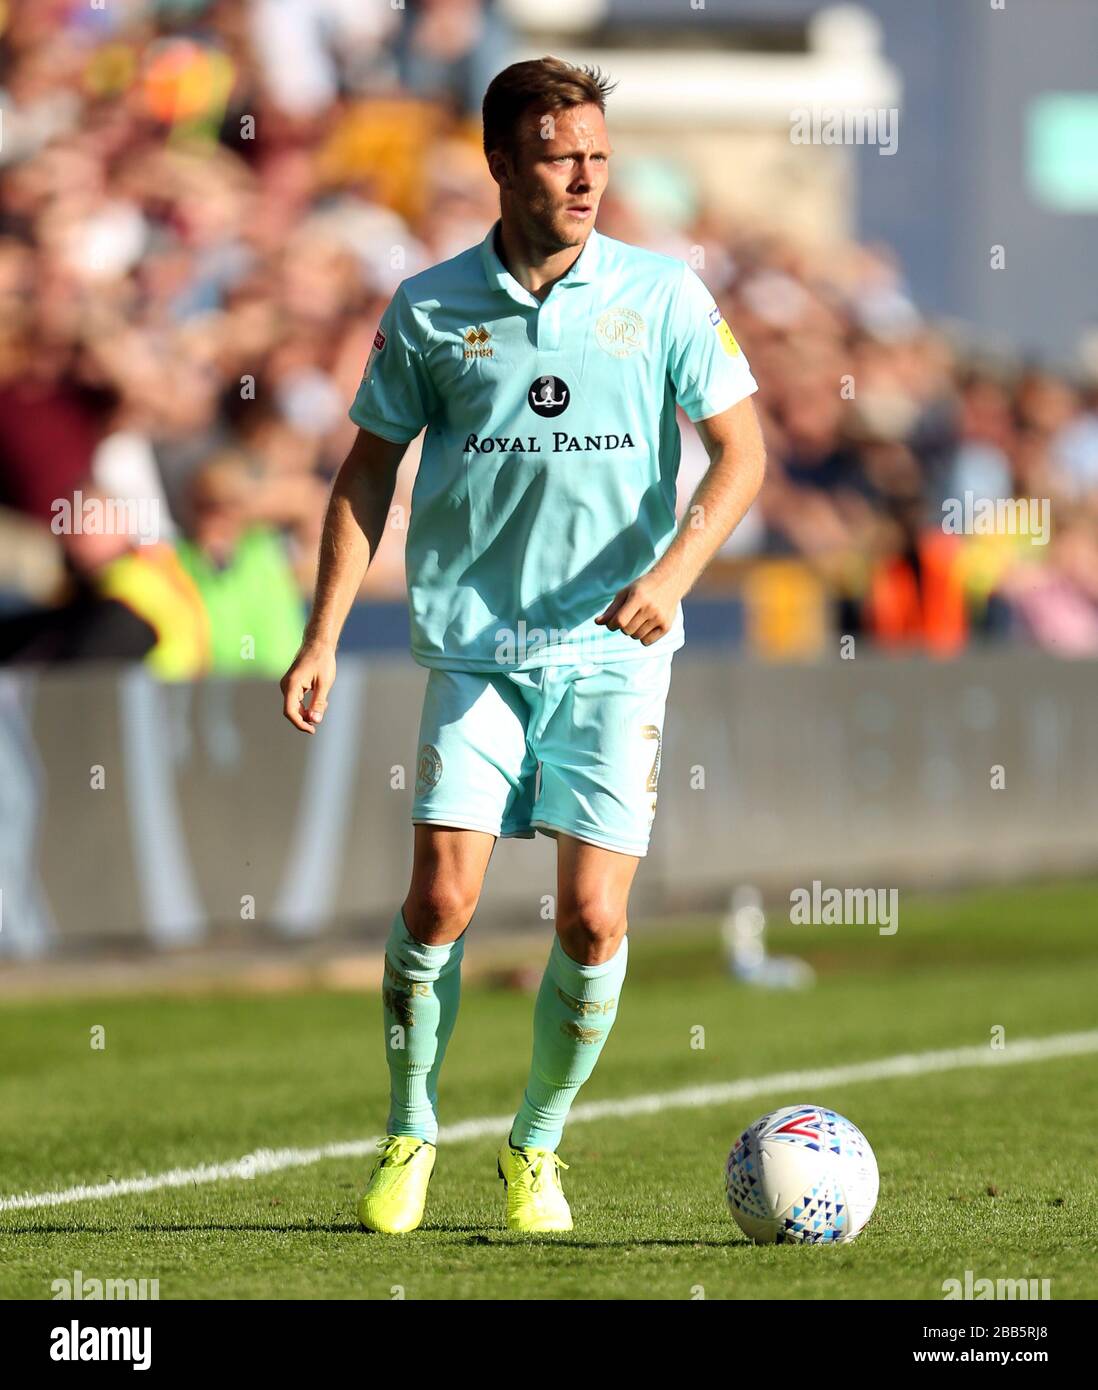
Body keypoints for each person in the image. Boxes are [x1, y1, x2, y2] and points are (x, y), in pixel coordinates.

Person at [280, 55, 766, 1234]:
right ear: (502, 162)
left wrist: (671, 576)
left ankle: (535, 1149)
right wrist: (323, 636)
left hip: (613, 652)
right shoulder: (431, 305)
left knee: (592, 918)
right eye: (561, 155)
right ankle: (408, 1129)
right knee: (440, 902)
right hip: (474, 645)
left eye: (599, 152)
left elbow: (742, 455)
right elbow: (366, 469)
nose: (589, 174)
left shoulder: (664, 294)